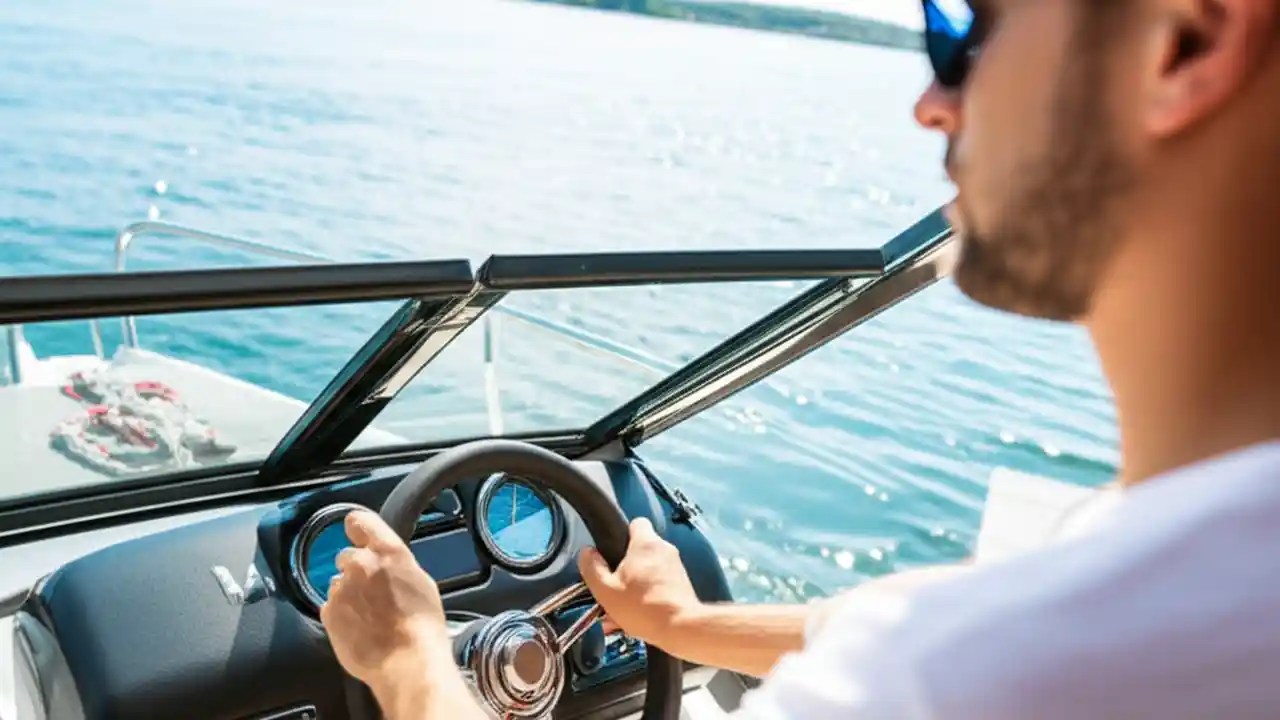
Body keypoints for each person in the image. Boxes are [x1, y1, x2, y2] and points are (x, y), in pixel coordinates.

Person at [319, 0, 1280, 716]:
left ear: (1184, 41)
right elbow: (949, 604)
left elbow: (958, 641)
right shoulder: (1199, 573)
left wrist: (407, 661)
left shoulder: (966, 681)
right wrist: (684, 628)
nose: (930, 104)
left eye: (965, 31)